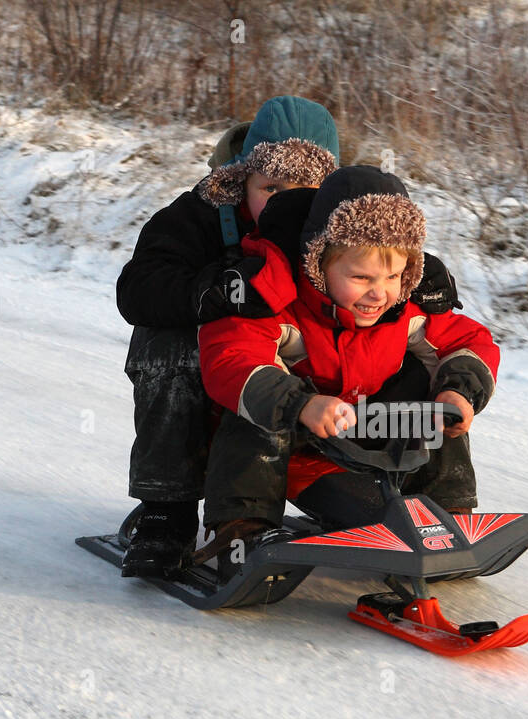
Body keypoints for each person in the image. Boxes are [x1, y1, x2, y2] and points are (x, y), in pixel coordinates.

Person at [115, 97, 465, 578]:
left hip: (308, 366)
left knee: (398, 345)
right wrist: (219, 291)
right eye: (272, 187)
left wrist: (416, 278)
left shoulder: (331, 231)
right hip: (223, 363)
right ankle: (167, 511)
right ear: (242, 181)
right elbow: (137, 291)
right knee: (170, 348)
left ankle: (417, 507)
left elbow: (377, 261)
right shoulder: (198, 215)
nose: (286, 200)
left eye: (306, 188)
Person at [192, 166, 498, 574]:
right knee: (256, 412)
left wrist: (460, 390)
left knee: (440, 408)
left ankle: (448, 514)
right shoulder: (275, 301)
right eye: (360, 277)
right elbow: (233, 356)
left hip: (366, 445)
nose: (379, 292)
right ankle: (240, 530)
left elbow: (468, 341)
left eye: (393, 276)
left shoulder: (405, 310)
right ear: (319, 263)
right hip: (296, 452)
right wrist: (301, 405)